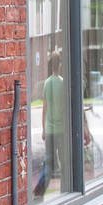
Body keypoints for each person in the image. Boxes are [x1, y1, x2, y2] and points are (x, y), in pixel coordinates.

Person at [40, 52, 65, 195]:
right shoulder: (62, 83)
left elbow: (44, 108)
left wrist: (43, 129)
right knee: (63, 160)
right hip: (61, 130)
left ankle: (41, 191)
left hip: (50, 130)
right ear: (60, 65)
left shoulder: (47, 83)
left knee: (48, 161)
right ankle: (65, 189)